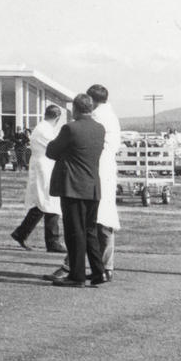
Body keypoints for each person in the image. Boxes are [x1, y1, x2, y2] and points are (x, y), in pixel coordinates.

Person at [45, 93, 107, 287]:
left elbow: (51, 151)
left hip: (73, 186)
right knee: (90, 232)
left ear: (75, 109)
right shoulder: (99, 128)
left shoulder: (70, 128)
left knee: (74, 232)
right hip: (92, 187)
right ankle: (99, 272)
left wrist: (65, 152)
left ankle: (77, 275)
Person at [10, 105, 67, 252]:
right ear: (57, 118)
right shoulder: (45, 130)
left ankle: (21, 232)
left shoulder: (41, 128)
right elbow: (58, 148)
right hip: (45, 168)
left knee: (43, 203)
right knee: (50, 202)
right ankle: (52, 241)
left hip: (43, 167)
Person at [87, 83, 120, 281]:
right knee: (104, 217)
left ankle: (72, 264)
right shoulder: (111, 115)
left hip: (98, 168)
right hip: (106, 168)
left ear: (92, 100)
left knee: (94, 217)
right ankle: (106, 266)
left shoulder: (98, 116)